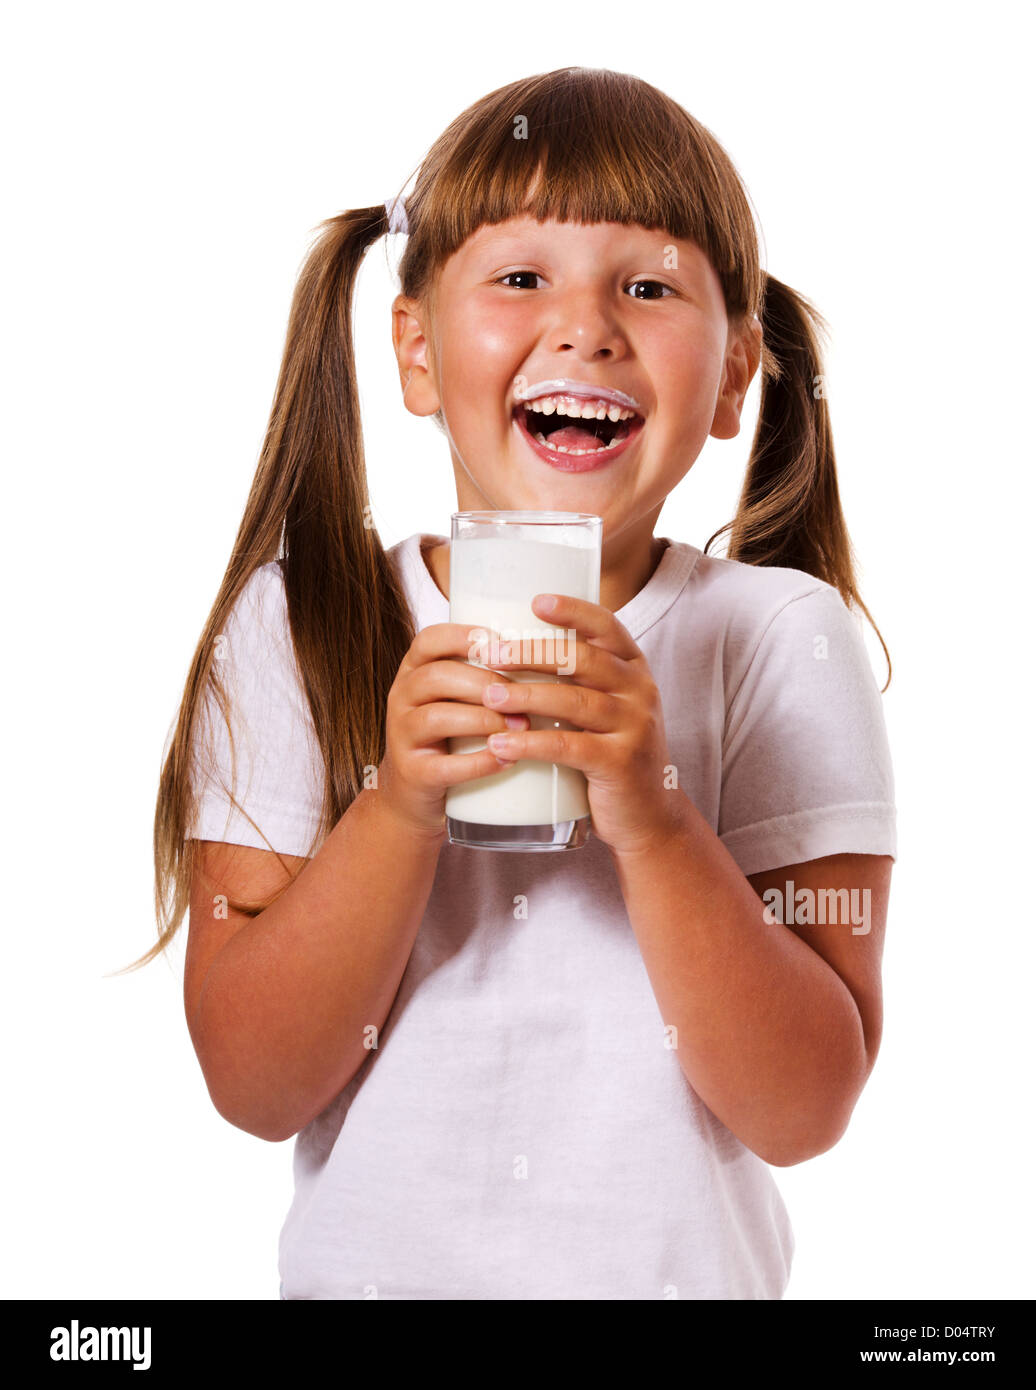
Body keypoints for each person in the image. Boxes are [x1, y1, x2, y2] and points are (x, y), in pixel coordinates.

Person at [144, 66, 897, 1300]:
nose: (587, 326)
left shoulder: (780, 640)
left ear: (732, 375)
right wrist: (394, 806)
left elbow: (803, 1107)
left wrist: (653, 818)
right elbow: (253, 1084)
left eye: (648, 287)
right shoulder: (305, 621)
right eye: (519, 278)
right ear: (417, 351)